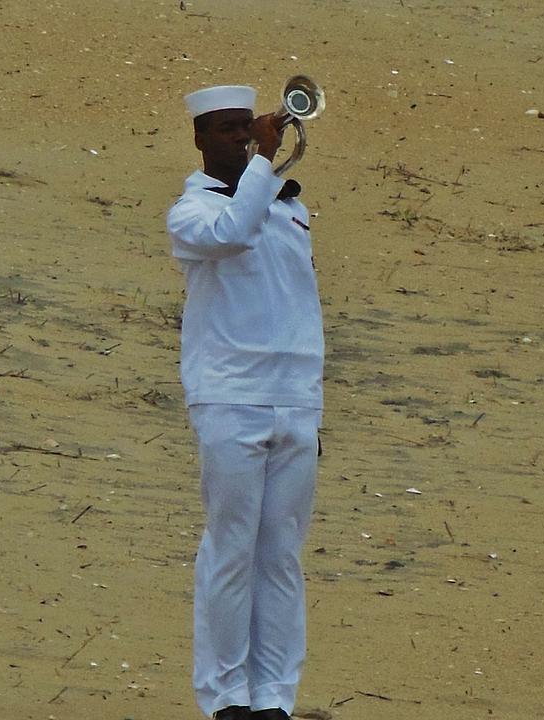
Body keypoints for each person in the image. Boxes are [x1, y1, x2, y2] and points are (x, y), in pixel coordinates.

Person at [166, 85, 325, 720]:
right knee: (231, 549)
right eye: (228, 129)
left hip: (296, 398)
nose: (242, 137)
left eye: (247, 127)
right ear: (199, 139)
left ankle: (274, 699)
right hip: (231, 398)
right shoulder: (192, 211)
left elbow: (296, 301)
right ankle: (225, 696)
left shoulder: (289, 207)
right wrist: (264, 161)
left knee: (281, 556)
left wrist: (311, 398)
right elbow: (231, 234)